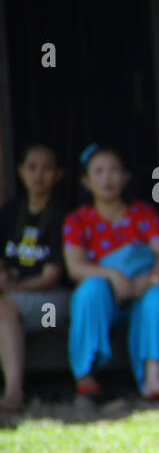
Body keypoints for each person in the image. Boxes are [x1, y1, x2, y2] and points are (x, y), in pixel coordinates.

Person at [62, 144, 159, 403]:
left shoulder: (143, 214)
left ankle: (154, 379)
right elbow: (75, 267)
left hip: (140, 289)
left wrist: (150, 280)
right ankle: (85, 378)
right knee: (90, 289)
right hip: (106, 299)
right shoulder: (77, 220)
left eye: (114, 171)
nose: (107, 178)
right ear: (86, 181)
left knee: (158, 296)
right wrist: (113, 276)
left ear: (126, 177)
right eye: (99, 171)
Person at [0, 143, 70, 411]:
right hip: (14, 303)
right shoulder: (10, 213)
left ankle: (14, 391)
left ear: (59, 174)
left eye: (47, 168)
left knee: (4, 306)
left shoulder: (62, 216)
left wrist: (10, 285)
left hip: (53, 308)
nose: (38, 175)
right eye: (32, 167)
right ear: (20, 171)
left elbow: (50, 278)